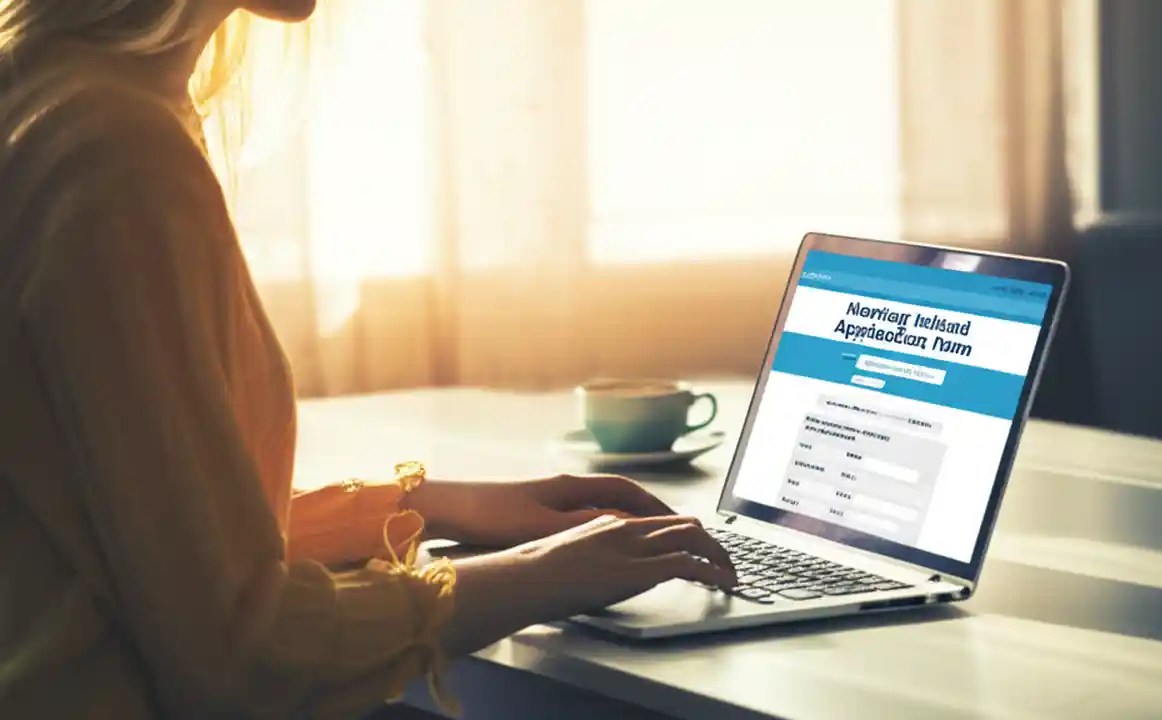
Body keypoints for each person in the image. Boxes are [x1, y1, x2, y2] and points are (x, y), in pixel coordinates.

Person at [0, 1, 737, 717]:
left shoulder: (45, 88)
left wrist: (420, 507)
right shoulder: (115, 153)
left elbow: (143, 543)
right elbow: (241, 649)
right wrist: (545, 576)